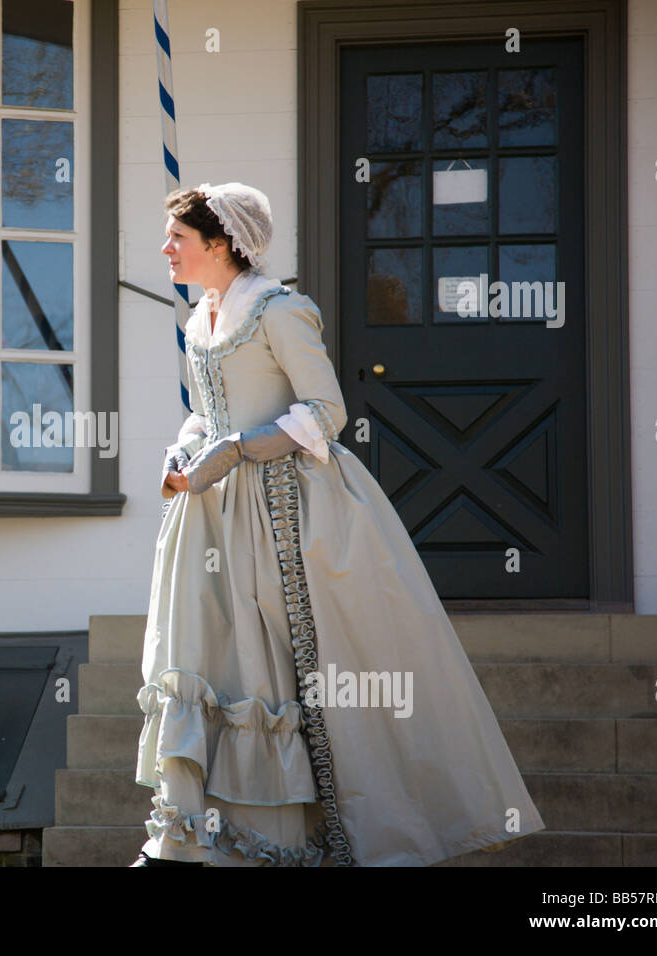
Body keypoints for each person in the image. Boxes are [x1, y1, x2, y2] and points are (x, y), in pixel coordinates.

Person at [130, 182, 545, 867]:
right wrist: (185, 451)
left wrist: (234, 451)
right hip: (212, 516)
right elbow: (208, 410)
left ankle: (288, 840)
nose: (166, 249)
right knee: (214, 665)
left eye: (178, 237)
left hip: (285, 510)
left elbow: (324, 412)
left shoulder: (280, 311)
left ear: (222, 244)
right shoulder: (199, 320)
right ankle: (195, 838)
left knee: (280, 671)